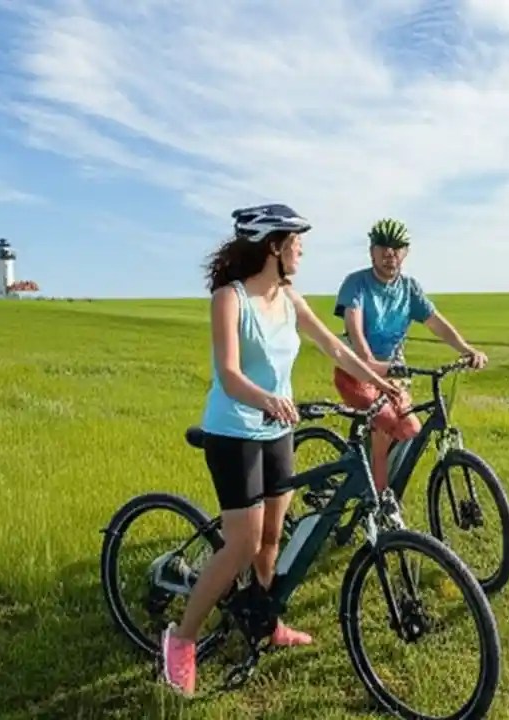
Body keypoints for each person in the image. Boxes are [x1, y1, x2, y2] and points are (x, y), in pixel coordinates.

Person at [161, 203, 403, 698]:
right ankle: (181, 640)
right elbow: (229, 374)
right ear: (273, 245)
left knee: (272, 538)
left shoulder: (289, 296)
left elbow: (335, 349)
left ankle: (265, 623)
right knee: (243, 544)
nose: (301, 249)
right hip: (235, 431)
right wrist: (268, 399)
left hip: (277, 431)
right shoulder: (230, 299)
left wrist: (380, 382)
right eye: (295, 241)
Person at [331, 217, 487, 494]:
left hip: (393, 376)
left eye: (397, 248)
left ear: (405, 252)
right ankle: (378, 504)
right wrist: (371, 365)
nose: (390, 254)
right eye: (383, 247)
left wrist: (467, 349)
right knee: (389, 429)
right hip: (356, 373)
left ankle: (361, 477)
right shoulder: (356, 284)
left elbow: (436, 323)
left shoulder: (409, 289)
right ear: (372, 251)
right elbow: (355, 331)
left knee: (412, 431)